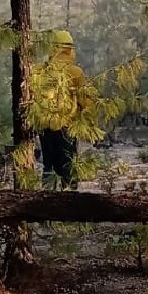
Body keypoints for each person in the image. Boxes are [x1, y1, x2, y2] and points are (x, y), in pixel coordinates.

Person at [34, 30, 87, 188]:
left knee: (49, 165)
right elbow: (84, 100)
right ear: (70, 50)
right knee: (68, 165)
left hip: (45, 127)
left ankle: (46, 197)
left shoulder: (40, 71)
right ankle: (70, 199)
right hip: (67, 126)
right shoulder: (76, 73)